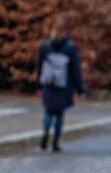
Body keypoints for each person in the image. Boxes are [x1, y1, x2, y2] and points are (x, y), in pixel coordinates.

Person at [36, 19, 85, 153]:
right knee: (59, 115)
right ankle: (55, 143)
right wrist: (80, 89)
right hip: (64, 86)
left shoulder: (45, 46)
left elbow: (39, 67)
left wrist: (39, 86)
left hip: (48, 84)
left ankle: (45, 132)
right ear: (65, 31)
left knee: (48, 111)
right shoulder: (70, 47)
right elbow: (76, 70)